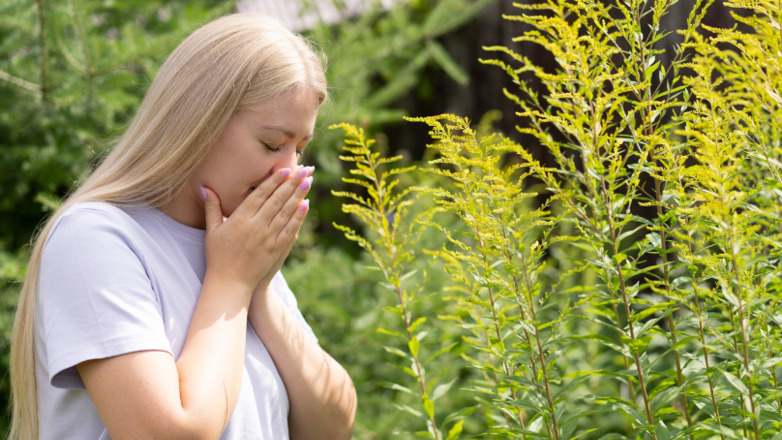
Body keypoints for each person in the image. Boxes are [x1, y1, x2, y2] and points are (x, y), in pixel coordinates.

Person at [9, 12, 357, 440]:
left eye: (299, 149)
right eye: (272, 144)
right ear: (199, 120)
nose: (288, 172)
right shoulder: (96, 239)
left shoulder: (238, 247)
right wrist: (231, 283)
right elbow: (170, 433)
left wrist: (258, 290)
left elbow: (334, 425)